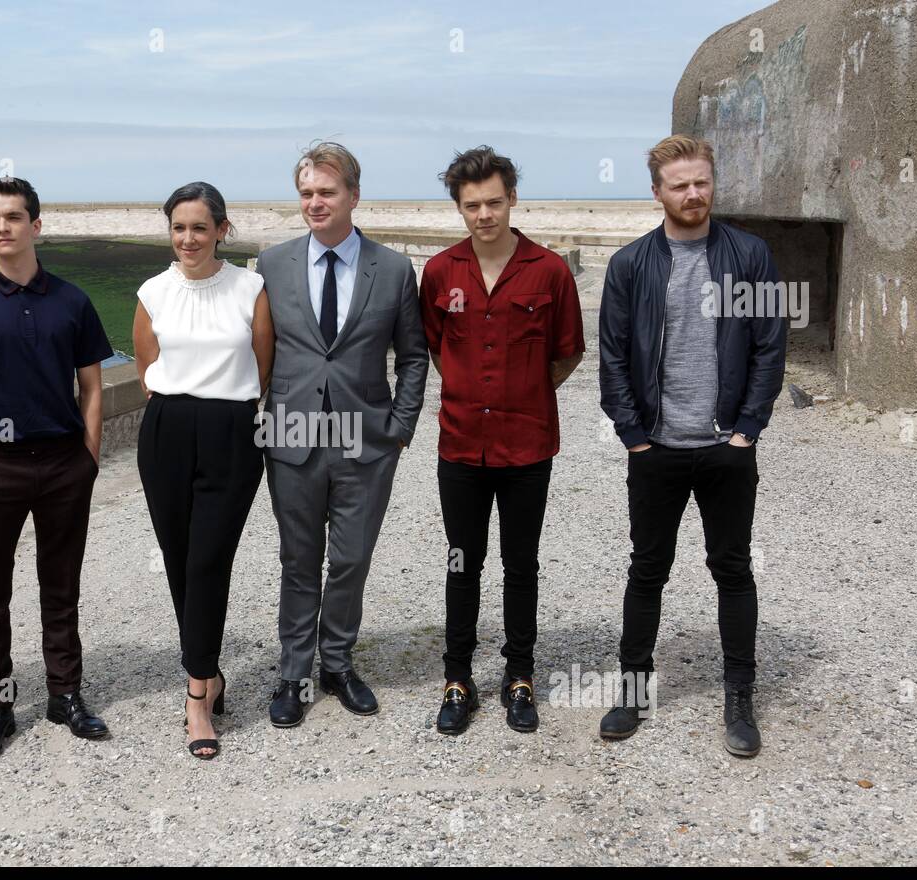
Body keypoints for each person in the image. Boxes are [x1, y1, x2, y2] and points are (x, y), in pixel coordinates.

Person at [597, 134, 786, 757]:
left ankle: (739, 695)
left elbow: (768, 347)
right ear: (658, 193)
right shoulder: (631, 264)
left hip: (726, 446)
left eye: (701, 181)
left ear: (712, 183)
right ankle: (634, 688)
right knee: (647, 569)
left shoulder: (750, 255)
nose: (693, 193)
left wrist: (745, 432)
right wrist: (633, 437)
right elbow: (615, 358)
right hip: (657, 449)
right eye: (679, 185)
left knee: (731, 568)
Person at [0, 176, 114, 762]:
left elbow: (92, 385)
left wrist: (87, 456)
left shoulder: (72, 301)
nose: (3, 226)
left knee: (61, 587)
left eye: (14, 216)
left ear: (37, 224)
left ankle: (65, 695)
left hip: (64, 462)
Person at [257, 141, 428, 728]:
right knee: (298, 561)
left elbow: (413, 355)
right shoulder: (272, 265)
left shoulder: (394, 268)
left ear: (354, 194)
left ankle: (338, 662)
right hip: (292, 434)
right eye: (306, 193)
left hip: (366, 439)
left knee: (351, 560)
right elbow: (259, 352)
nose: (315, 202)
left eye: (326, 192)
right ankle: (293, 673)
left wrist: (401, 427)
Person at [419, 147, 585, 736]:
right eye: (471, 205)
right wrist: (470, 390)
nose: (484, 214)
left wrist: (524, 395)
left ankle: (520, 677)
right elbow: (436, 346)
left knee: (521, 563)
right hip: (461, 444)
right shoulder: (441, 271)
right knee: (462, 563)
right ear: (459, 208)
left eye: (493, 202)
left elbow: (568, 350)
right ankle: (457, 679)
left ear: (512, 198)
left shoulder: (549, 270)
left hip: (527, 445)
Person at [132, 182, 273, 759]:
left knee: (210, 558)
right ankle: (207, 673)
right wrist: (179, 410)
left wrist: (224, 409)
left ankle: (196, 697)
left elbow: (263, 364)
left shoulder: (251, 287)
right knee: (178, 558)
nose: (188, 238)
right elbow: (145, 364)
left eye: (199, 227)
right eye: (178, 228)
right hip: (167, 429)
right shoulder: (152, 291)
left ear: (222, 229)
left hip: (233, 432)